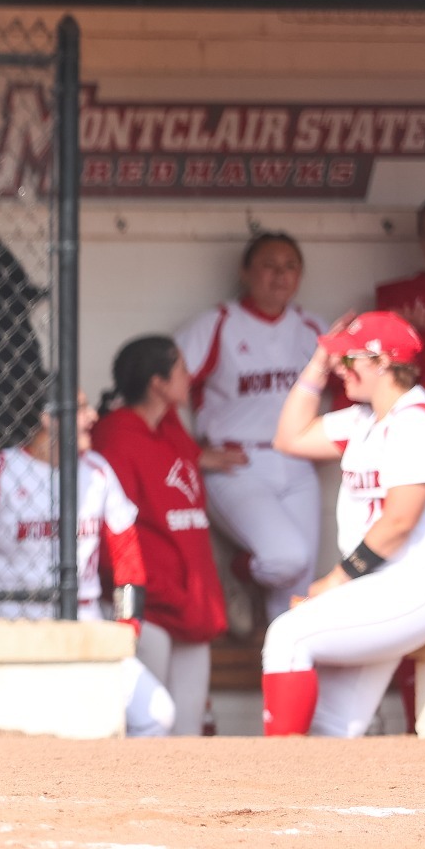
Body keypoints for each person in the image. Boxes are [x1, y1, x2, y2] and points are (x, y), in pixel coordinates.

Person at [0, 392, 173, 737]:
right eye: (81, 408)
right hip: (11, 622)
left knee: (158, 714)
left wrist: (128, 627)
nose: (93, 415)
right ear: (48, 418)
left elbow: (128, 559)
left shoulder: (97, 471)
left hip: (84, 619)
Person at [263, 312, 425, 737]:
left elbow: (399, 521)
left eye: (349, 360)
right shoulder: (364, 420)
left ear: (382, 362)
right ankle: (300, 799)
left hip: (419, 579)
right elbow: (288, 437)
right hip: (380, 583)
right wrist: (317, 364)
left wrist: (333, 581)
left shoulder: (415, 418)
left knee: (288, 636)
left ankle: (270, 778)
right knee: (334, 725)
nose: (339, 370)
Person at [172, 233, 327, 622]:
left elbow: (355, 390)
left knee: (298, 591)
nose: (280, 276)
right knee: (285, 558)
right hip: (237, 462)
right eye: (269, 266)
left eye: (290, 266)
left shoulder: (312, 328)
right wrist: (192, 453)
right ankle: (243, 571)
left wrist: (330, 443)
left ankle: (281, 672)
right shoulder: (218, 323)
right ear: (245, 272)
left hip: (297, 463)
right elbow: (159, 392)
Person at [91, 337, 228, 735]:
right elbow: (111, 533)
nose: (191, 376)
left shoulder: (167, 426)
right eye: (182, 369)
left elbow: (187, 459)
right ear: (158, 383)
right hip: (151, 607)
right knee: (149, 728)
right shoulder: (114, 437)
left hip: (190, 605)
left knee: (185, 736)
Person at [376, 194, 425, 393]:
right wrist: (403, 334)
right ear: (421, 240)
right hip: (419, 420)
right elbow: (377, 376)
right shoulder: (400, 298)